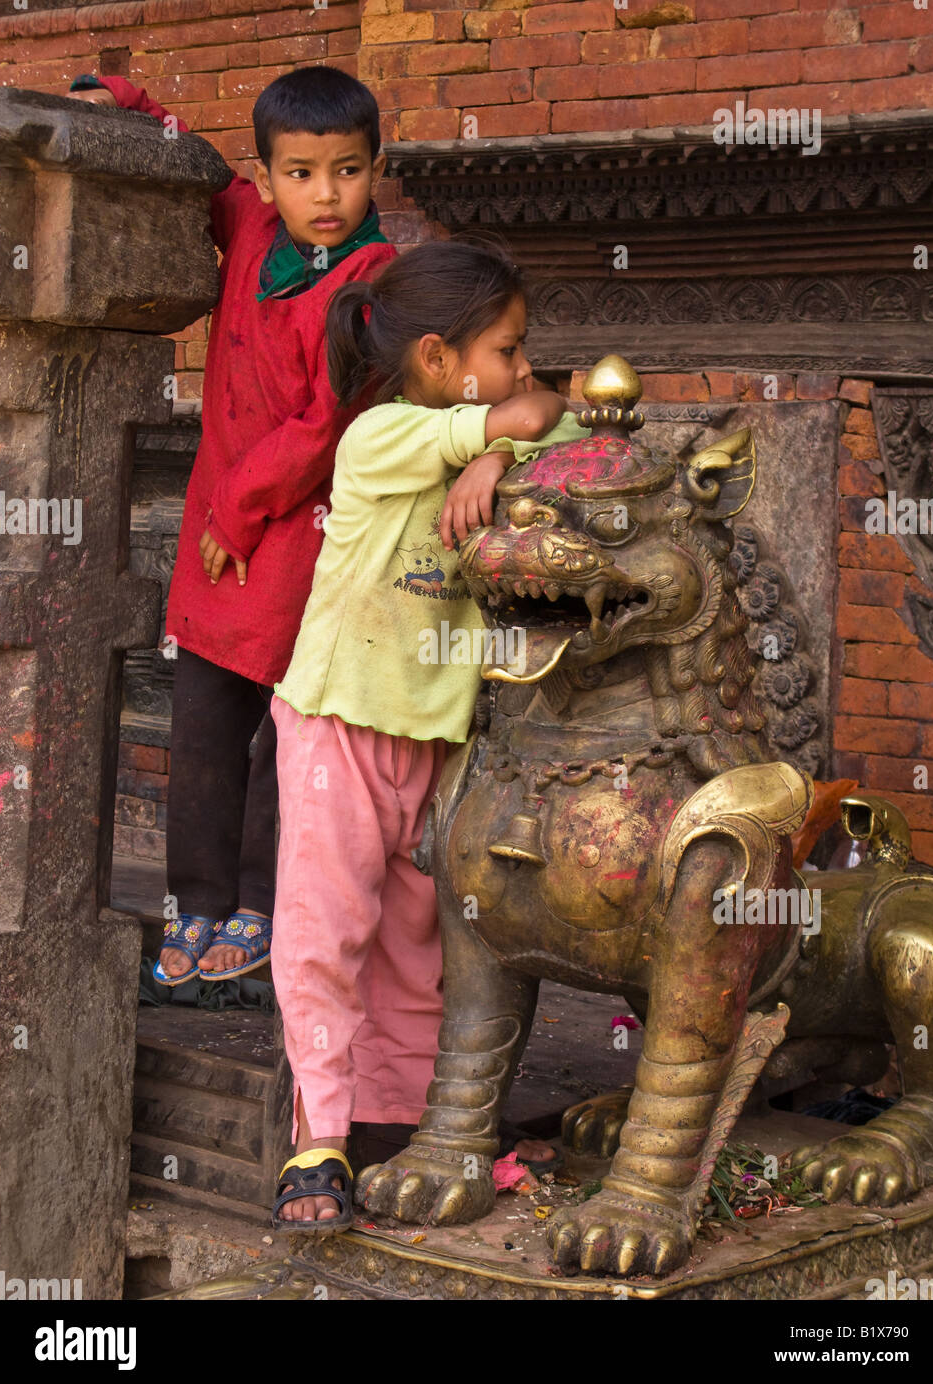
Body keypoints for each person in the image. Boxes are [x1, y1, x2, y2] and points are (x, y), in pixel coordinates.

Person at [269, 240, 589, 1228]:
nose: (523, 365)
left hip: (433, 738)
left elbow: (563, 421)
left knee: (421, 947)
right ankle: (315, 1138)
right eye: (508, 347)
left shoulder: (468, 433)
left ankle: (408, 1127)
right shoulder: (377, 437)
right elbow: (537, 410)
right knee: (327, 933)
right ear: (440, 362)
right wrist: (495, 434)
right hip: (339, 724)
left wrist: (493, 450)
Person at [68, 67, 397, 984]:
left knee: (282, 732)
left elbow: (325, 420)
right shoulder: (250, 228)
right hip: (218, 526)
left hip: (299, 529)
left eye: (345, 171)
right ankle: (197, 902)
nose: (324, 196)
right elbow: (196, 165)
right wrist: (122, 100)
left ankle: (261, 901)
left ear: (378, 168)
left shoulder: (375, 281)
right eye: (299, 173)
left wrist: (240, 513)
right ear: (269, 175)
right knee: (204, 724)